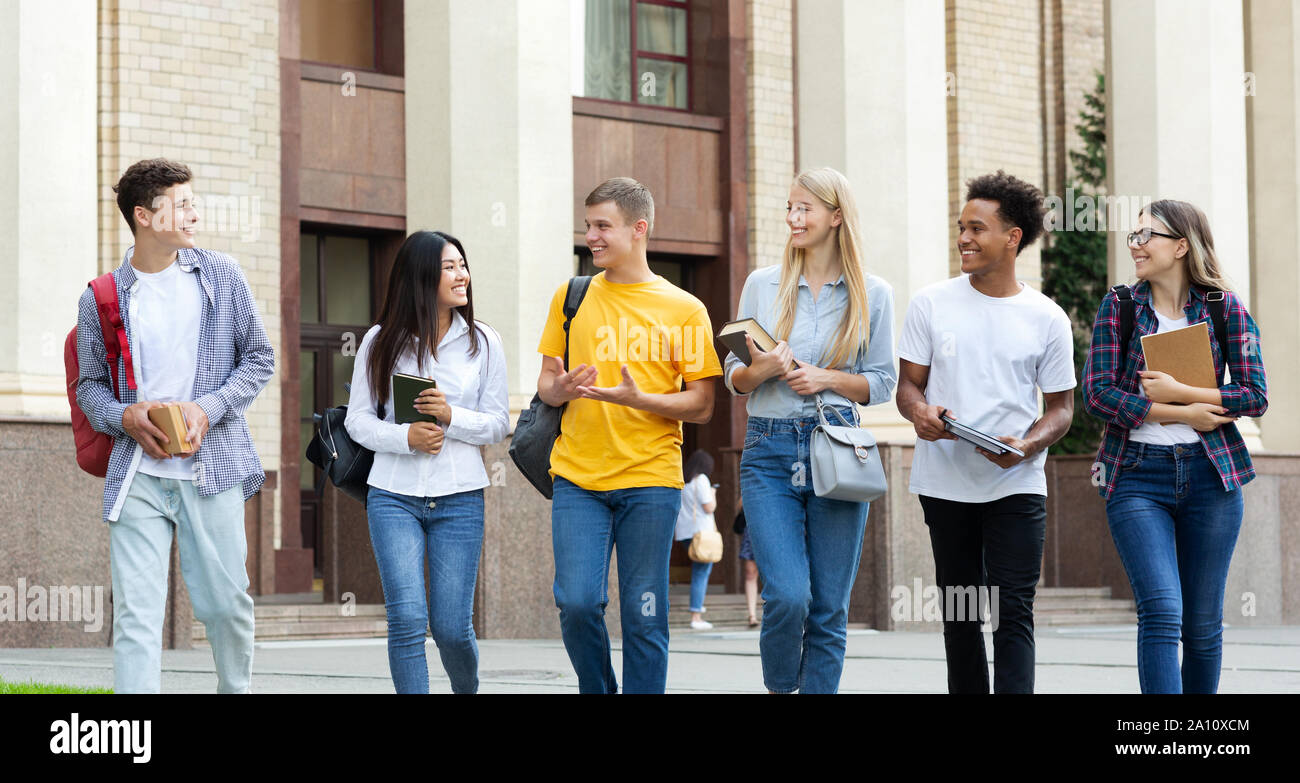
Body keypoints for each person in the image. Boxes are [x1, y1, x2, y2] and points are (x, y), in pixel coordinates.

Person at [75, 158, 275, 693]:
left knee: (225, 606)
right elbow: (89, 384)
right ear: (144, 216)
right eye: (180, 204)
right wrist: (124, 415)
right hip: (137, 472)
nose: (194, 213)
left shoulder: (221, 275)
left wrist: (207, 408)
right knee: (137, 616)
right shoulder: (103, 295)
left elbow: (259, 359)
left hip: (211, 469)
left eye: (193, 201)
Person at [537, 177, 722, 694]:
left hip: (650, 481)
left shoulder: (684, 309)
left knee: (644, 615)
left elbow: (703, 405)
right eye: (588, 225)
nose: (591, 236)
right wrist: (563, 388)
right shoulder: (570, 298)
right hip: (578, 478)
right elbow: (547, 387)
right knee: (576, 603)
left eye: (603, 226)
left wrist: (639, 399)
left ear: (639, 229)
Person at [895, 170, 1075, 694]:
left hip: (1017, 483)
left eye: (977, 228)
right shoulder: (931, 302)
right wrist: (919, 413)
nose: (964, 239)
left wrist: (1028, 444)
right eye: (961, 227)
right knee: (961, 612)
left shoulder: (1047, 317)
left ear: (1012, 237)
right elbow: (908, 386)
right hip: (945, 482)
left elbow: (1062, 409)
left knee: (1013, 610)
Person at [1082, 200, 1267, 694]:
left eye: (1148, 236)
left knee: (1202, 626)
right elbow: (1097, 393)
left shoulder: (1222, 307)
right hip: (1137, 474)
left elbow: (1254, 395)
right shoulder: (1119, 306)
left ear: (1181, 246)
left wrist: (1185, 393)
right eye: (1134, 236)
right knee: (1162, 609)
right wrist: (1180, 413)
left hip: (1212, 477)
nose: (1136, 246)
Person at [724, 167, 896, 694]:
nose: (793, 218)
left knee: (828, 606)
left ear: (835, 216)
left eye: (806, 209)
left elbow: (883, 383)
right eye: (791, 208)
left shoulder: (874, 293)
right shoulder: (761, 284)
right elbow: (734, 377)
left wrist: (828, 378)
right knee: (788, 595)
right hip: (768, 448)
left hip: (839, 446)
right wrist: (763, 370)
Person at [345, 230, 509, 694]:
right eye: (450, 267)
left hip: (460, 497)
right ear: (420, 276)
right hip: (393, 496)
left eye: (463, 265)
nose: (464, 276)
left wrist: (450, 416)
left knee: (452, 628)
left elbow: (498, 423)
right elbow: (358, 420)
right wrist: (406, 437)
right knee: (408, 619)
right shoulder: (381, 341)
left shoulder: (484, 342)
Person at [675, 450, 718, 630]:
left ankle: (697, 608)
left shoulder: (683, 482)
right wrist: (713, 492)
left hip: (685, 532)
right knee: (701, 572)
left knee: (700, 571)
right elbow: (709, 507)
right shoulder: (702, 480)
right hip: (701, 532)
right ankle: (696, 616)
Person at [734, 497, 760, 628]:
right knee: (750, 573)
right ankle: (752, 615)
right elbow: (740, 506)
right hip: (753, 528)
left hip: (777, 528)